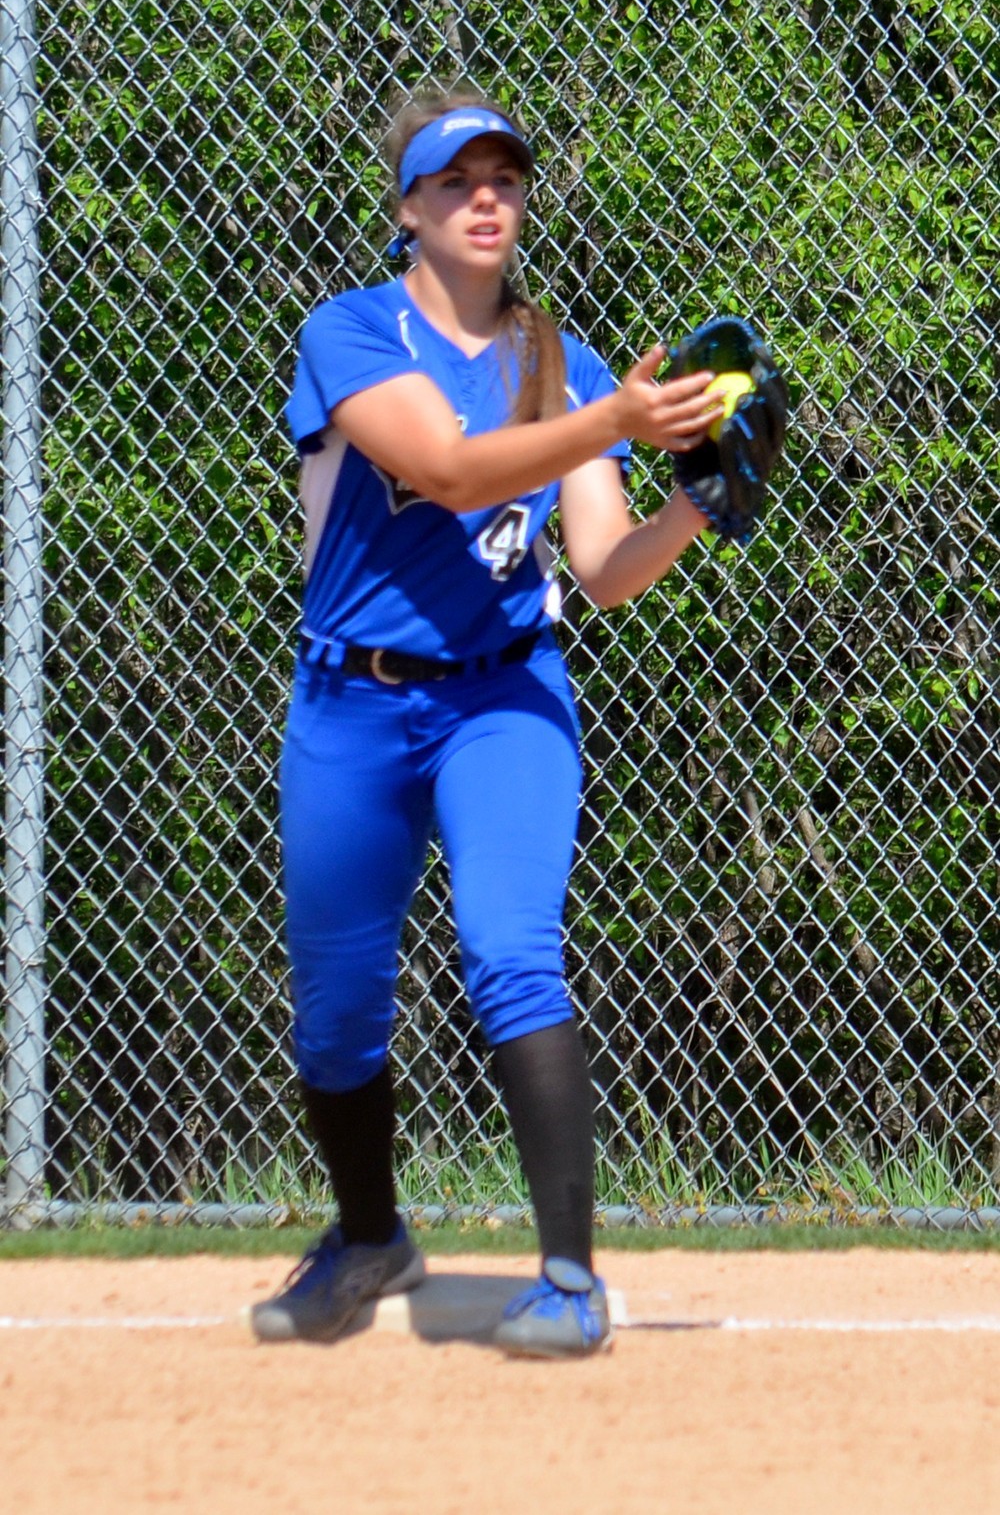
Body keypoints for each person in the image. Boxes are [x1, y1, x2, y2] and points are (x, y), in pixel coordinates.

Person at [250, 85, 726, 1359]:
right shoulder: (350, 332)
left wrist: (700, 506)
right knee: (338, 1009)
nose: (483, 198)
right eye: (454, 181)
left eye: (503, 178)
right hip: (350, 704)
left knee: (513, 951)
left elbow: (605, 566)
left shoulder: (555, 364)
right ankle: (370, 1240)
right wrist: (620, 418)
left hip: (504, 698)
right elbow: (449, 470)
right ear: (406, 209)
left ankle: (569, 1279)